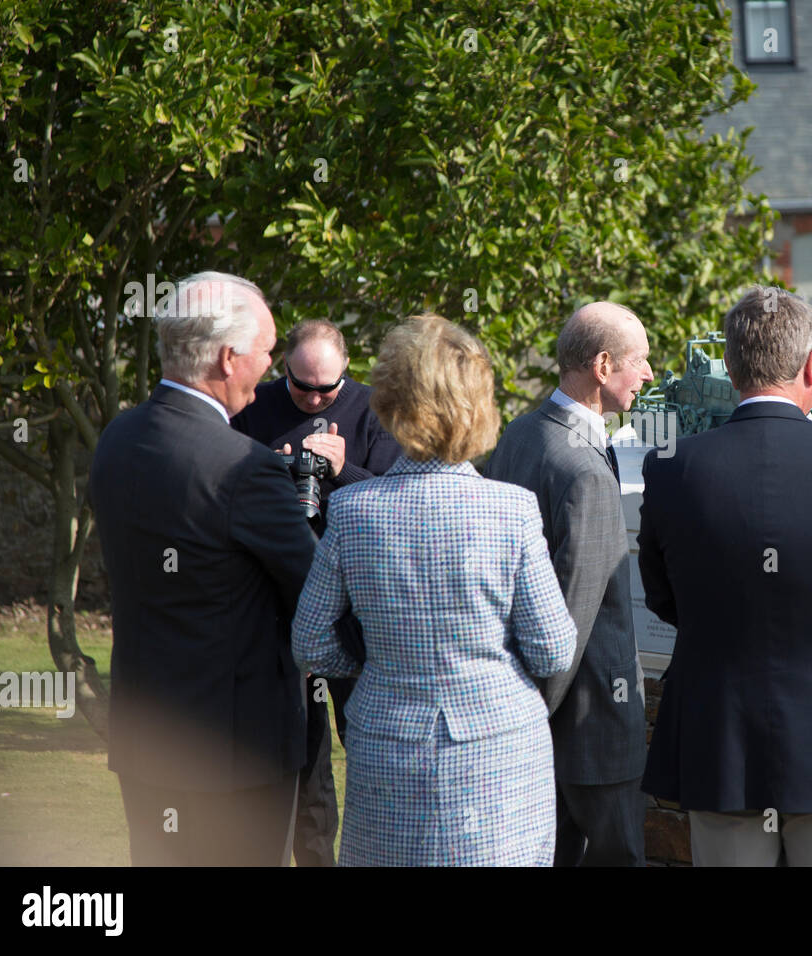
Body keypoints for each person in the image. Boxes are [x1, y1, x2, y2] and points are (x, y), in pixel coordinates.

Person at [638, 286, 812, 867]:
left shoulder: (672, 468)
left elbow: (663, 596)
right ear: (811, 363)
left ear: (731, 365)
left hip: (721, 739)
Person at [291, 313, 577, 866]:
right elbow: (553, 648)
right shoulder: (512, 510)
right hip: (500, 748)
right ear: (478, 403)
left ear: (390, 404)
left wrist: (375, 660)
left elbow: (309, 642)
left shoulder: (352, 510)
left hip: (388, 744)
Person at [90, 272, 316, 866]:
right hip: (238, 754)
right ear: (227, 358)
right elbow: (314, 594)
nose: (270, 367)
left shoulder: (116, 439)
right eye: (266, 352)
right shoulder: (246, 467)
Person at [484, 302, 652, 866]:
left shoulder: (520, 434)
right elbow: (571, 620)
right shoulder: (582, 469)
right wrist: (530, 716)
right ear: (603, 366)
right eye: (640, 361)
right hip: (591, 726)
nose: (649, 375)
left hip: (537, 719)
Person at [231, 319, 400, 867]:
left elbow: (398, 501)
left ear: (346, 375)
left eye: (327, 388)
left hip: (357, 610)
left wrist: (341, 468)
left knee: (368, 744)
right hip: (281, 603)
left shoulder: (374, 409)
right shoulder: (255, 406)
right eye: (301, 385)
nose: (314, 397)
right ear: (284, 369)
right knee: (303, 752)